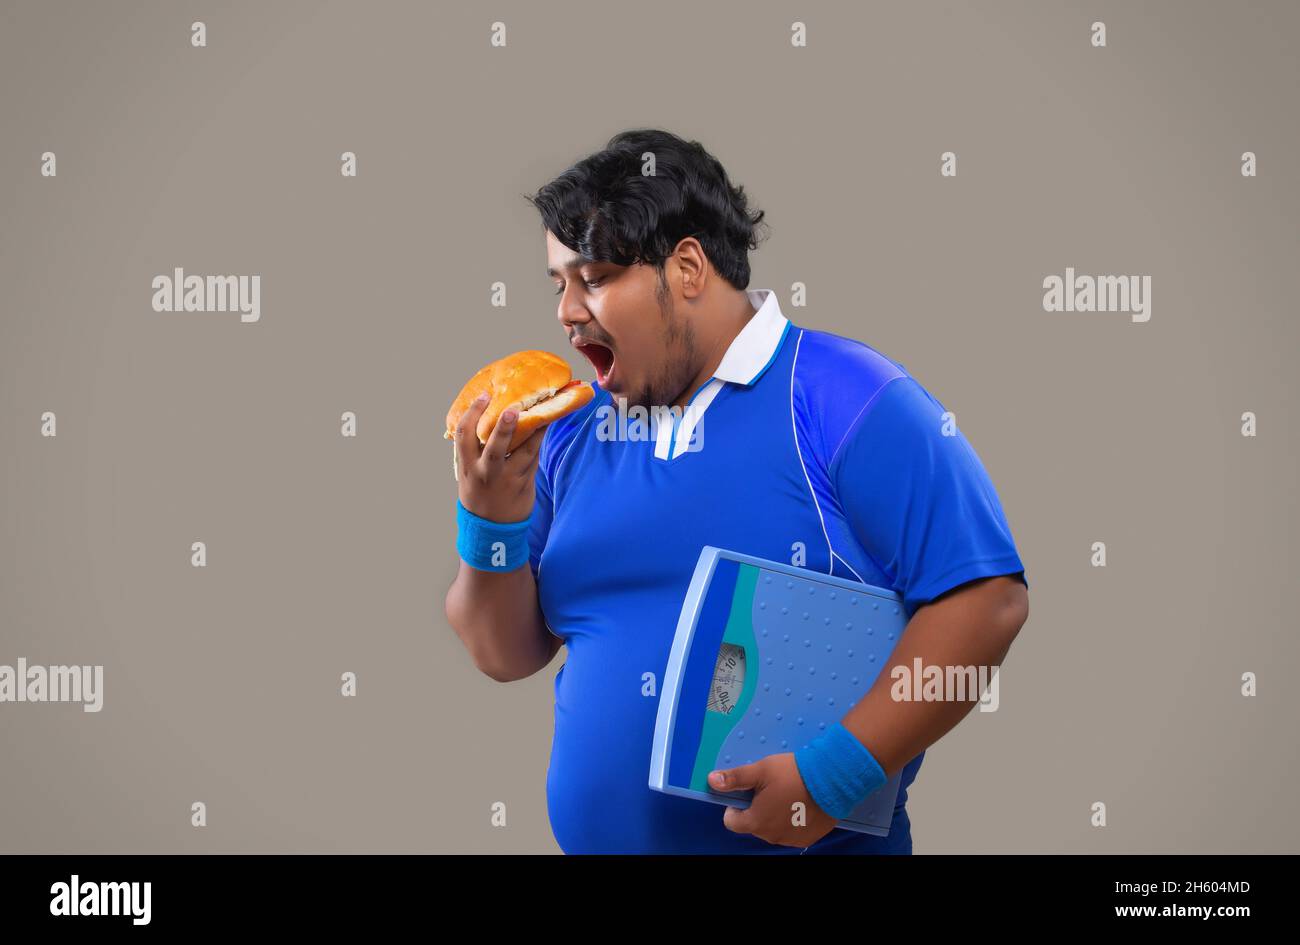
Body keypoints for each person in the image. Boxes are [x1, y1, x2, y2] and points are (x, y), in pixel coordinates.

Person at [444, 129, 1029, 854]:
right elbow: (505, 653)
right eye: (558, 283)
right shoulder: (571, 432)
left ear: (687, 267)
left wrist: (834, 776)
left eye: (592, 278)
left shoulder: (843, 394)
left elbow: (987, 597)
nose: (566, 311)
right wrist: (489, 519)